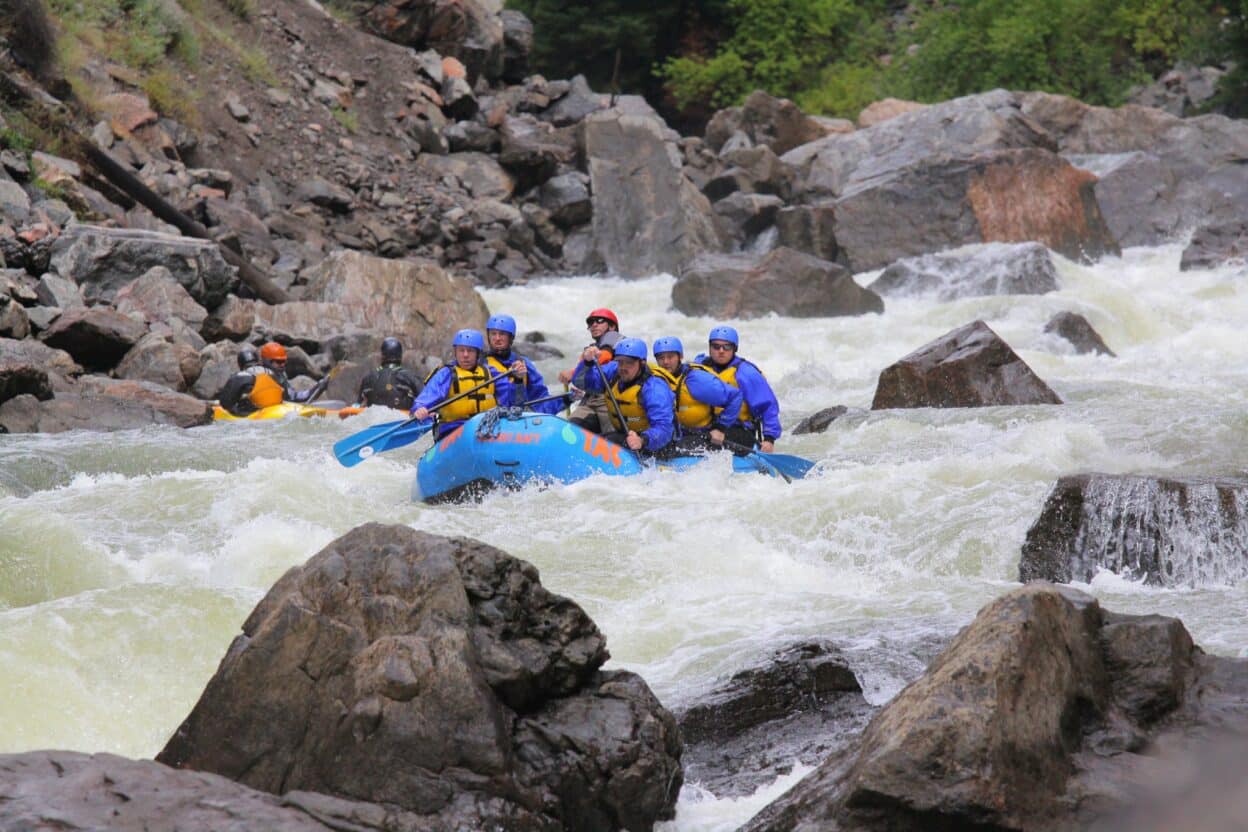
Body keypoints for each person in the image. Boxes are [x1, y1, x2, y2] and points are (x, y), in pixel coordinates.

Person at [409, 329, 515, 440]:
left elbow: (510, 401)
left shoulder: (491, 373)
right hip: (453, 429)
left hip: (487, 425)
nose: (465, 355)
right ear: (455, 352)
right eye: (461, 350)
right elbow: (425, 398)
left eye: (470, 351)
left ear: (478, 353)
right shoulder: (446, 374)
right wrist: (419, 409)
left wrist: (517, 379)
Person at [579, 336, 674, 455]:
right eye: (620, 361)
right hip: (625, 435)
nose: (623, 367)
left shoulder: (654, 389)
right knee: (583, 431)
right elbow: (581, 382)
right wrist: (587, 363)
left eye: (629, 363)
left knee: (609, 440)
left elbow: (664, 428)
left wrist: (642, 440)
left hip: (653, 444)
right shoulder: (614, 371)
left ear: (642, 363)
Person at [695, 326, 781, 453]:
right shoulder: (698, 369)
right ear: (709, 347)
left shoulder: (747, 373)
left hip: (739, 430)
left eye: (727, 347)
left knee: (709, 442)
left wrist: (769, 439)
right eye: (716, 346)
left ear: (734, 348)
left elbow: (768, 406)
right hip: (706, 427)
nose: (721, 351)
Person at [650, 336, 743, 454]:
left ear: (680, 356)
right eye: (661, 358)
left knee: (670, 449)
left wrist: (720, 428)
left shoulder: (696, 380)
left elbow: (735, 396)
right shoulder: (655, 381)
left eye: (670, 357)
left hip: (703, 434)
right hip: (675, 434)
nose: (666, 362)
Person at [483, 313, 568, 415]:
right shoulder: (479, 364)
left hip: (518, 423)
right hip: (489, 421)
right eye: (493, 334)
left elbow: (540, 402)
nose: (497, 338)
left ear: (510, 337)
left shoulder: (524, 364)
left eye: (502, 334)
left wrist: (565, 400)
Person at [557, 307, 623, 433]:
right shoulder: (591, 349)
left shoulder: (614, 337)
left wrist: (572, 372)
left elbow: (605, 355)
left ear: (612, 326)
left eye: (599, 320)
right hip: (590, 399)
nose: (594, 325)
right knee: (569, 430)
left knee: (612, 437)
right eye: (590, 322)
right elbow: (582, 376)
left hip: (611, 399)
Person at [217, 342, 326, 416]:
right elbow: (293, 397)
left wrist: (318, 387)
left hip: (266, 413)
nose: (283, 365)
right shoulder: (273, 376)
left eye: (284, 361)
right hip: (263, 414)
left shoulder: (241, 376)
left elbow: (225, 403)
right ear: (267, 361)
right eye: (278, 362)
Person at [356, 336, 424, 411]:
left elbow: (359, 405)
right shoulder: (410, 377)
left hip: (374, 419)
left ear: (382, 355)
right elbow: (425, 398)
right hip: (403, 419)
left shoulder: (367, 378)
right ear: (400, 355)